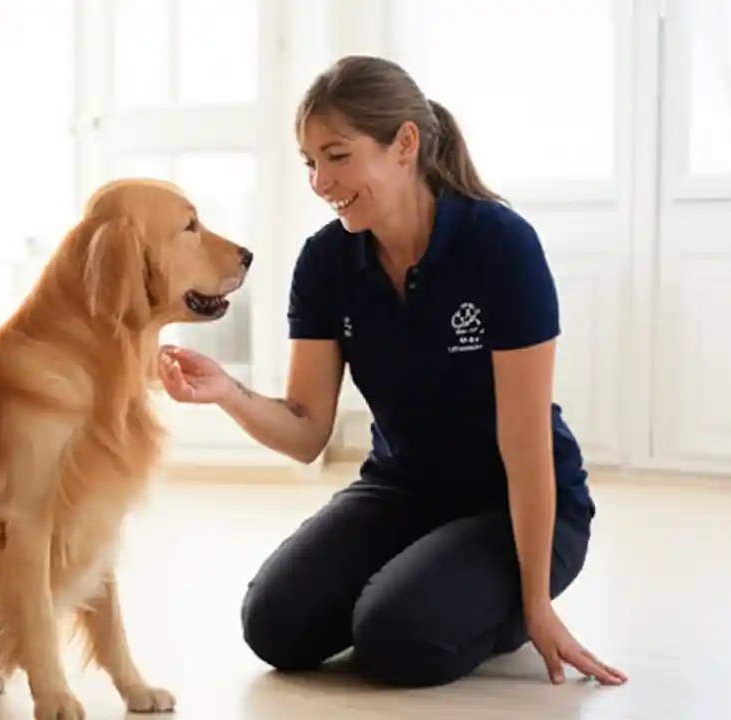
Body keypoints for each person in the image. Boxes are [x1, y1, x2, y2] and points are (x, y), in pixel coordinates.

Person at [157, 55, 627, 689]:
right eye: (309, 162)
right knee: (273, 625)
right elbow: (305, 433)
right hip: (404, 491)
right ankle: (428, 582)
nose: (320, 181)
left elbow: (525, 446)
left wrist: (536, 604)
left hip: (513, 505)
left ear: (405, 144)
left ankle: (487, 601)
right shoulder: (326, 262)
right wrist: (226, 391)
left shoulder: (501, 246)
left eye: (337, 156)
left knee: (396, 639)